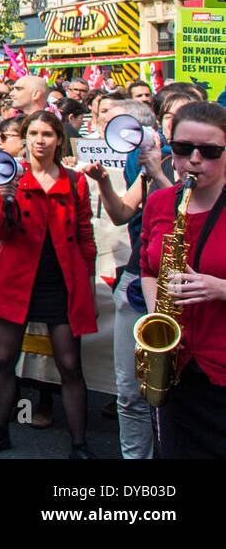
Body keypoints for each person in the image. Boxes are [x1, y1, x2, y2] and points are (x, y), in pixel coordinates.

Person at [0, 110, 96, 458]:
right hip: (16, 280)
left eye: (48, 134)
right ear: (25, 138)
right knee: (5, 359)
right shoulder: (7, 176)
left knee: (70, 365)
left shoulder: (75, 182)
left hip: (62, 283)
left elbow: (85, 236)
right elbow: (2, 231)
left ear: (59, 139)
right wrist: (8, 198)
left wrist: (88, 282)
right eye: (34, 133)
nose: (40, 140)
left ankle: (79, 444)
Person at [81, 99, 172, 459]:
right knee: (130, 391)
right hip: (136, 280)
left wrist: (161, 174)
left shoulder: (195, 176)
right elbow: (120, 214)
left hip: (178, 286)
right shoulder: (148, 170)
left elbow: (184, 215)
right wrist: (103, 180)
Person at [139, 100, 226, 458]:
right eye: (183, 148)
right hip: (176, 364)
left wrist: (219, 288)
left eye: (209, 151)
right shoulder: (160, 202)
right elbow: (148, 268)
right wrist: (158, 318)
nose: (194, 159)